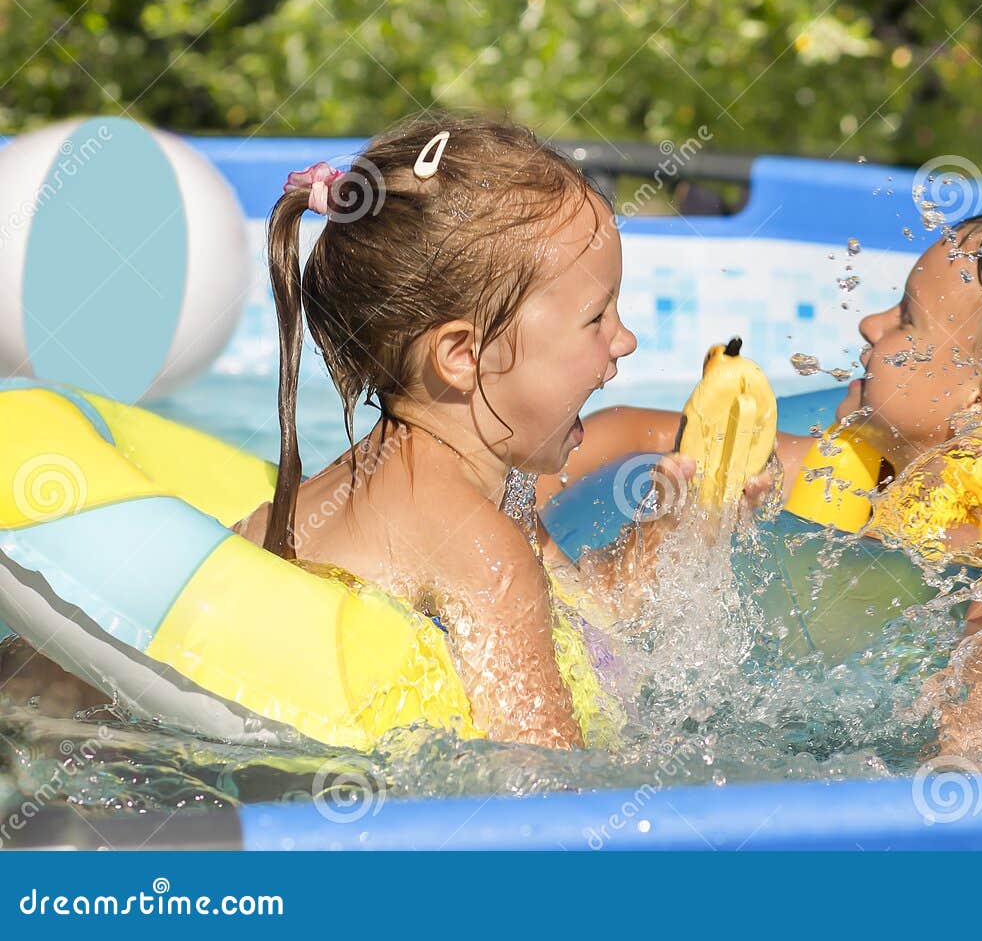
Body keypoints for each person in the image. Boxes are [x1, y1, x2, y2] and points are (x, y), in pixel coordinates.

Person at [233, 113, 762, 750]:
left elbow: (586, 607)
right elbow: (546, 780)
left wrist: (677, 534)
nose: (626, 340)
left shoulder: (444, 494)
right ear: (462, 354)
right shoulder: (485, 553)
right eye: (596, 317)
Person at [559, 212, 982, 752]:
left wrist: (961, 757)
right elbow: (629, 431)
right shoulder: (871, 467)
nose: (871, 324)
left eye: (907, 319)